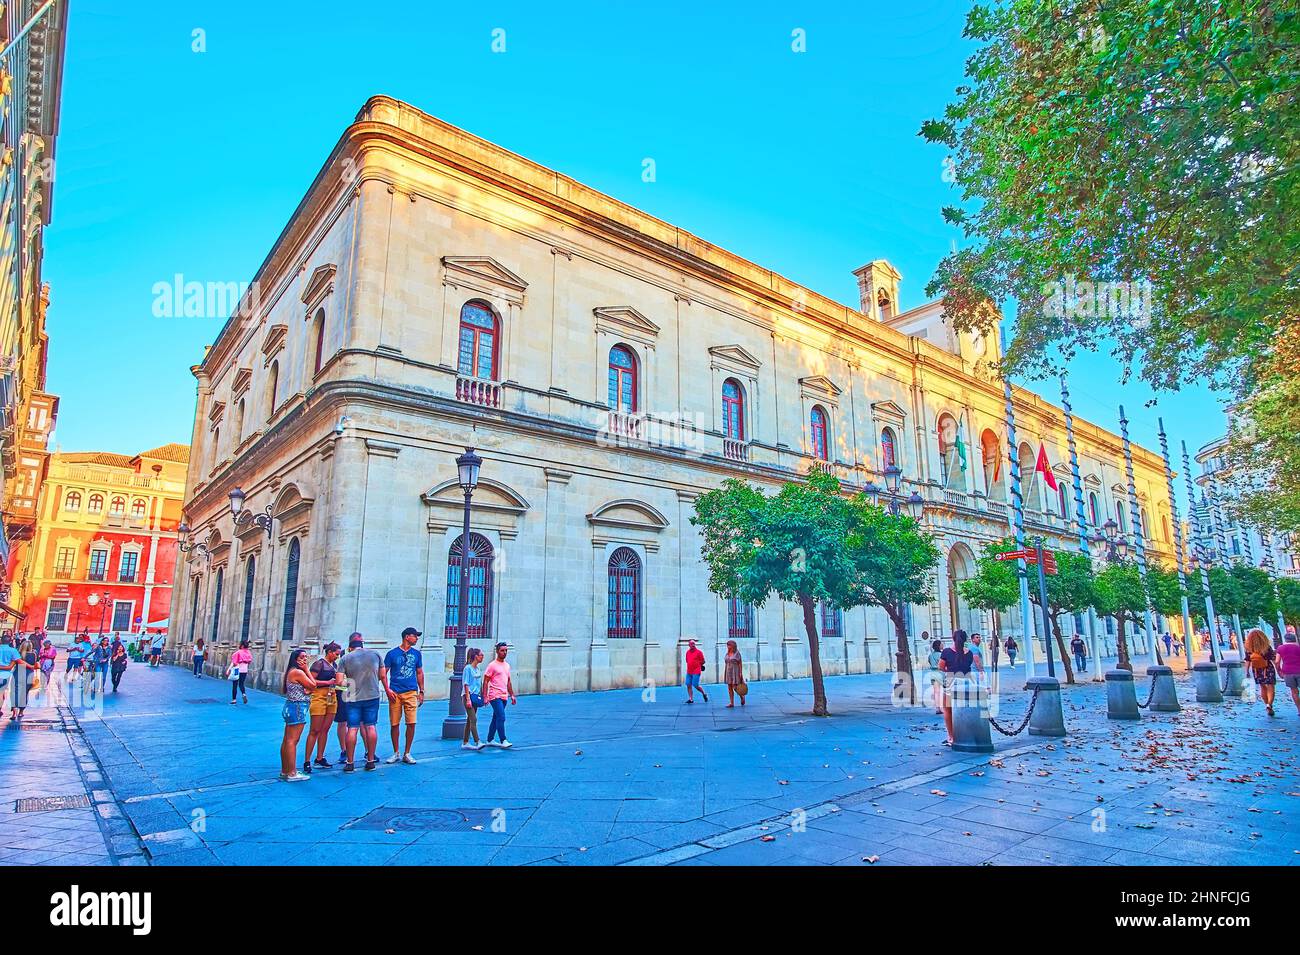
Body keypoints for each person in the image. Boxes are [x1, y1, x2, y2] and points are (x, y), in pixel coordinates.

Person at [337, 634, 384, 772]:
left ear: (351, 647)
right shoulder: (375, 654)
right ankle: (370, 760)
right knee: (371, 727)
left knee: (352, 728)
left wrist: (352, 683)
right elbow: (382, 675)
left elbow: (339, 681)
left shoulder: (345, 658)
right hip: (372, 695)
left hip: (352, 697)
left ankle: (350, 762)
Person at [382, 627, 425, 765]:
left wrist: (422, 691)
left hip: (411, 691)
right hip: (395, 692)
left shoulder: (417, 654)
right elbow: (384, 673)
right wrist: (387, 690)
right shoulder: (392, 654)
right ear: (407, 637)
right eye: (415, 636)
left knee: (411, 723)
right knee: (394, 724)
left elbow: (419, 672)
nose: (417, 638)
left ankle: (407, 752)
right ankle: (396, 752)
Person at [279, 648, 319, 782]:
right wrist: (307, 670)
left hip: (291, 705)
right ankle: (292, 772)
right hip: (298, 707)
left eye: (306, 657)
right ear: (295, 659)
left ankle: (285, 770)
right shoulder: (298, 672)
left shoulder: (291, 672)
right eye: (302, 657)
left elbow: (309, 688)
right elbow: (313, 685)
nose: (305, 659)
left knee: (287, 739)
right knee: (292, 740)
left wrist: (308, 688)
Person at [303, 642, 343, 773]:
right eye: (336, 654)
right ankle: (307, 760)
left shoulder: (335, 665)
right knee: (314, 730)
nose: (338, 656)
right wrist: (327, 682)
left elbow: (337, 682)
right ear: (330, 652)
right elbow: (310, 681)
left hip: (332, 697)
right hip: (319, 696)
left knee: (325, 729)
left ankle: (320, 757)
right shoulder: (319, 664)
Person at [938, 629, 974, 747]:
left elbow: (941, 667)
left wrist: (949, 670)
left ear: (953, 639)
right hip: (966, 682)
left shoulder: (947, 652)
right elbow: (968, 666)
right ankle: (966, 733)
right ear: (965, 640)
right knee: (964, 708)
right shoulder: (969, 653)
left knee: (947, 709)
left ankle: (952, 737)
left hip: (952, 681)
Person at [483, 641, 516, 748]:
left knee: (495, 717)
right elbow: (486, 681)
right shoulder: (492, 665)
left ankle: (490, 739)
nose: (505, 652)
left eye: (506, 650)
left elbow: (508, 681)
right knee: (501, 717)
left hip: (504, 695)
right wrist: (485, 696)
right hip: (494, 695)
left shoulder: (507, 666)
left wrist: (512, 695)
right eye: (502, 650)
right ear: (497, 651)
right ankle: (503, 740)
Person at [1244, 628, 1278, 717]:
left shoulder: (1249, 648)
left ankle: (1266, 703)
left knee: (1262, 687)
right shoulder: (1267, 647)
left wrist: (1246, 671)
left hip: (1256, 669)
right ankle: (1269, 704)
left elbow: (1247, 661)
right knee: (1271, 687)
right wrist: (1278, 669)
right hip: (1268, 668)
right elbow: (1273, 659)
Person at [461, 646, 486, 750]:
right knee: (473, 719)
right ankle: (477, 741)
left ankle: (465, 742)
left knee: (469, 720)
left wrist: (482, 695)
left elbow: (479, 683)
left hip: (475, 696)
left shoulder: (478, 668)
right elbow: (466, 684)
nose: (483, 657)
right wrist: (468, 699)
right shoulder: (468, 668)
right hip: (468, 696)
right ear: (476, 656)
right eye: (481, 655)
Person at [1275, 632, 1300, 716]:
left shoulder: (1280, 648)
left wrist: (1279, 671)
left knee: (1294, 691)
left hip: (1288, 672)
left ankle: (1299, 710)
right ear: (1295, 639)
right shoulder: (1298, 647)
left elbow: (1277, 661)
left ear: (1285, 639)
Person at [684, 638, 708, 703]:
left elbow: (703, 661)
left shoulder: (699, 652)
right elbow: (687, 661)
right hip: (689, 671)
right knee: (688, 684)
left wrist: (697, 664)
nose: (693, 645)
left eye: (694, 643)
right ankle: (691, 699)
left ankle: (704, 694)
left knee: (695, 685)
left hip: (696, 671)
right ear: (689, 645)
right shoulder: (687, 652)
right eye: (691, 644)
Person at [0, 634, 19, 717]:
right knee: (1, 692)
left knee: (2, 692)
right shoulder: (13, 650)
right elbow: (17, 661)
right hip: (5, 674)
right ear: (10, 641)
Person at [229, 639, 252, 704]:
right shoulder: (248, 653)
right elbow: (249, 661)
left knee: (235, 684)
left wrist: (229, 670)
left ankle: (234, 699)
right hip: (244, 670)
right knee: (241, 684)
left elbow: (233, 662)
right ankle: (243, 694)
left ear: (241, 645)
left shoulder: (238, 652)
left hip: (237, 670)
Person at [723, 640, 745, 707]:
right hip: (728, 671)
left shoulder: (737, 653)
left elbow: (740, 663)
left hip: (735, 671)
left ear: (732, 645)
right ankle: (731, 703)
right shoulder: (727, 653)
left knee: (735, 687)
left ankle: (742, 696)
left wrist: (740, 673)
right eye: (727, 645)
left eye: (729, 645)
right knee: (729, 687)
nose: (727, 646)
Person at [926, 639, 943, 714]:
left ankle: (937, 708)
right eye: (941, 644)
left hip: (933, 673)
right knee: (944, 691)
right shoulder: (941, 655)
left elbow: (929, 661)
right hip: (940, 673)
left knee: (936, 692)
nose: (943, 645)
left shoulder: (931, 655)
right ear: (939, 646)